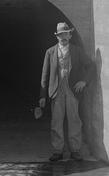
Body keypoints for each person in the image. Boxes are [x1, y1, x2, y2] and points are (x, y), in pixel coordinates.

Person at [39, 22, 94, 162]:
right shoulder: (50, 52)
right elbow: (45, 75)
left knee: (74, 120)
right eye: (60, 35)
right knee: (56, 121)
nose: (62, 37)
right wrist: (43, 95)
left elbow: (91, 66)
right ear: (57, 37)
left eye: (65, 34)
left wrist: (84, 82)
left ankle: (74, 150)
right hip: (56, 91)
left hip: (72, 91)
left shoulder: (77, 51)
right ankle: (58, 150)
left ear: (70, 35)